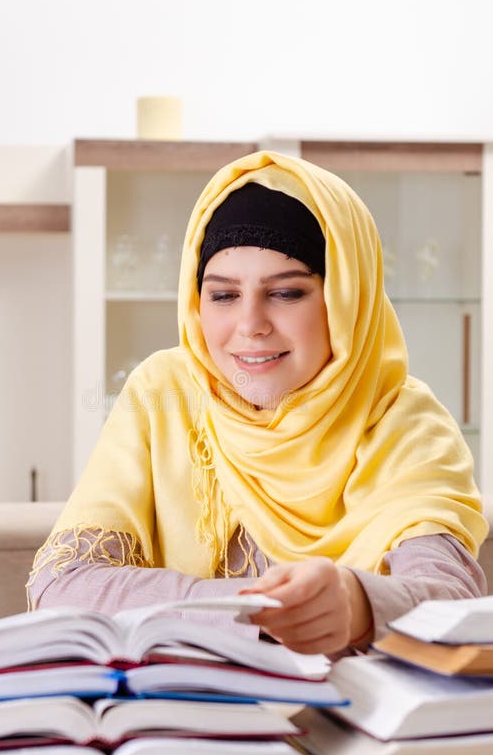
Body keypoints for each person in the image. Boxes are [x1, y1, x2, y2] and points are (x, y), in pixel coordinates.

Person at [27, 150, 488, 655]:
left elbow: (450, 601)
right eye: (223, 296)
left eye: (286, 293)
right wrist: (254, 611)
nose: (250, 325)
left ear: (346, 300)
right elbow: (62, 584)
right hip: (185, 701)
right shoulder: (164, 394)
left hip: (346, 705)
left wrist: (357, 603)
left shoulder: (405, 424)